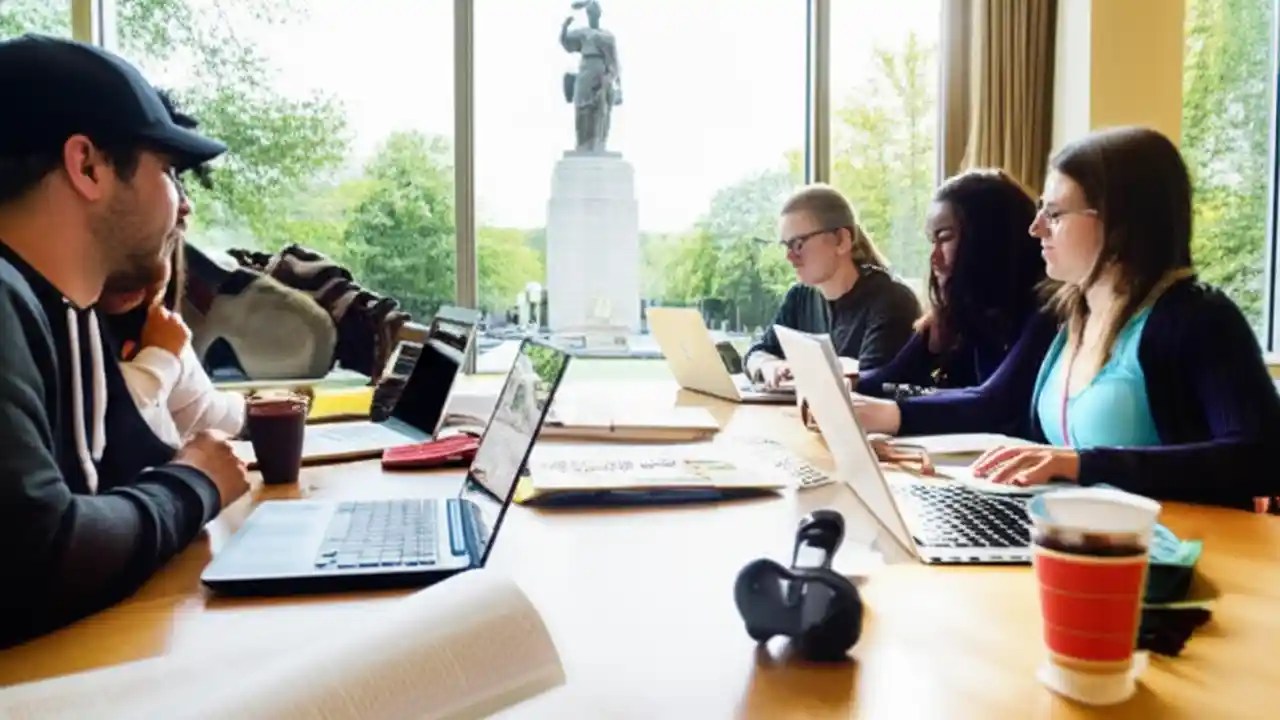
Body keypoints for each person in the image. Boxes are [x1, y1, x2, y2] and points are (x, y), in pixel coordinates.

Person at [852, 126, 1280, 509]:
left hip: (1171, 553)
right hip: (1072, 536)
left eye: (1054, 214)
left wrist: (1081, 465)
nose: (1036, 227)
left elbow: (1262, 457)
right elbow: (1008, 415)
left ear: (1118, 221)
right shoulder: (1067, 314)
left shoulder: (1198, 319)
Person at [0, 34, 249, 647]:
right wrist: (196, 482)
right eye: (168, 172)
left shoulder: (61, 309)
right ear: (88, 166)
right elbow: (38, 557)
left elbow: (115, 476)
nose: (181, 207)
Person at [99, 92, 246, 448]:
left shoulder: (153, 330)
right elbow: (99, 430)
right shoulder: (44, 324)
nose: (184, 206)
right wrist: (159, 359)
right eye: (167, 173)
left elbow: (207, 412)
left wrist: (268, 410)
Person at [856, 169, 1054, 398]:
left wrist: (891, 408)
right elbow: (891, 378)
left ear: (987, 237)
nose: (934, 258)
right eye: (932, 241)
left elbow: (992, 403)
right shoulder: (962, 308)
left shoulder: (1044, 311)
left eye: (944, 238)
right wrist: (845, 386)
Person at [744, 184, 921, 387]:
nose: (789, 257)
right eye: (786, 246)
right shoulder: (799, 298)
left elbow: (869, 385)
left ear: (841, 240)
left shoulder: (892, 302)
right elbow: (757, 352)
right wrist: (768, 365)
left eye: (798, 244)